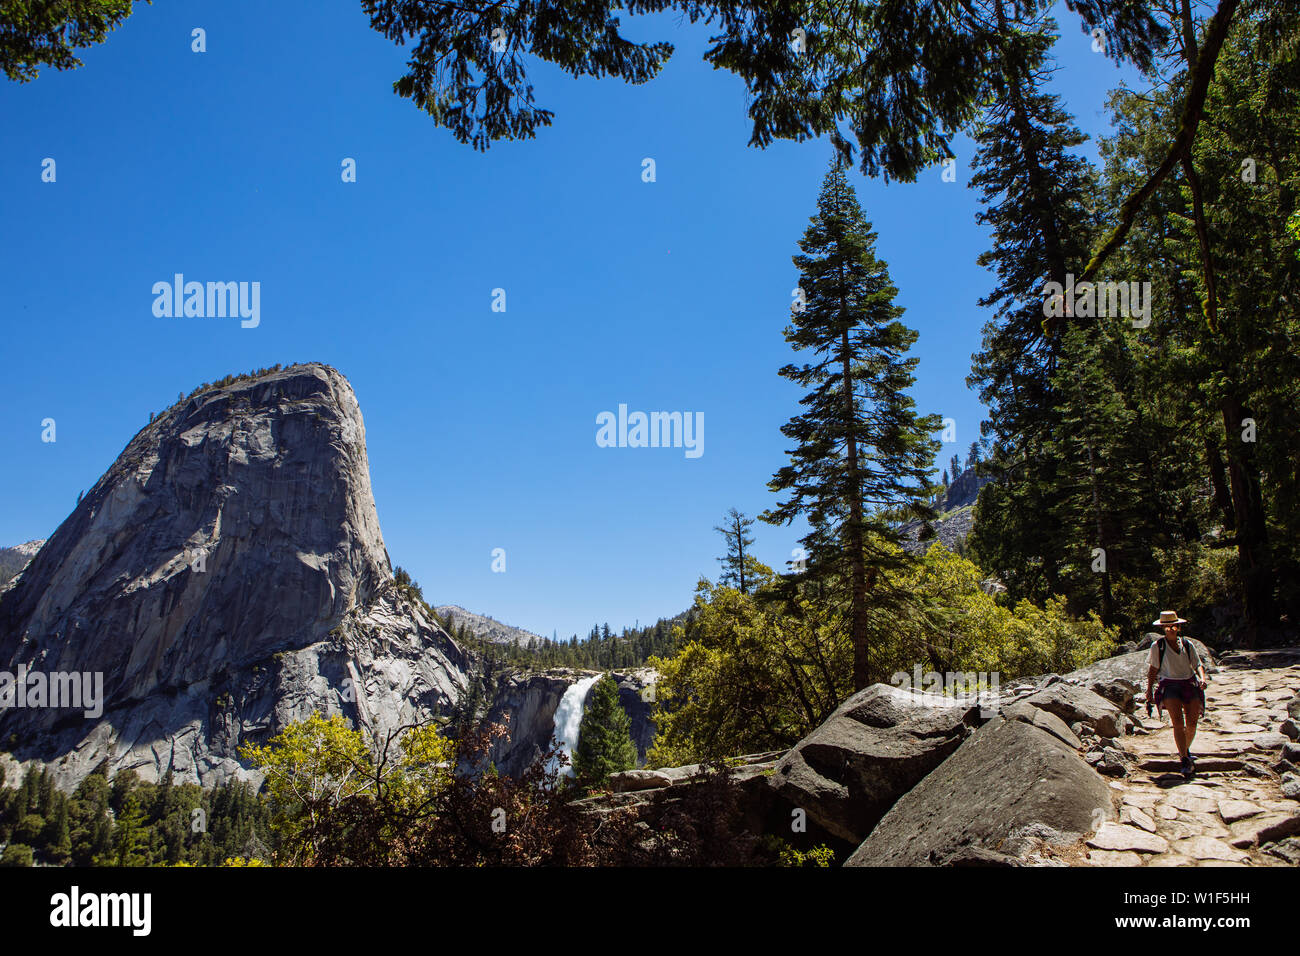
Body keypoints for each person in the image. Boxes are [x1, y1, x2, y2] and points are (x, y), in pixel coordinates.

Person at [1145, 610, 1208, 776]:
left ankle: (1185, 749)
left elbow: (1197, 664)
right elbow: (1153, 669)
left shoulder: (1187, 645)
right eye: (1167, 627)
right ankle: (1184, 758)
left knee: (1192, 723)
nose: (1170, 629)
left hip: (1189, 683)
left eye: (1173, 626)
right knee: (1178, 723)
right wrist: (1149, 690)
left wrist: (1202, 678)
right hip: (1169, 685)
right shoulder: (1157, 646)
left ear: (1178, 627)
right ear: (1163, 629)